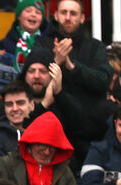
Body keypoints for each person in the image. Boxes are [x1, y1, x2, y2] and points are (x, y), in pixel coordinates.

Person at [33, 0, 114, 143]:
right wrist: (57, 62)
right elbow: (33, 81)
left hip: (88, 127)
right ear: (56, 15)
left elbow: (103, 80)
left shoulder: (95, 47)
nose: (68, 17)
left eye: (73, 13)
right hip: (51, 124)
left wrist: (72, 67)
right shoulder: (42, 44)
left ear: (82, 18)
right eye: (64, 12)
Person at [0, 81, 34, 163]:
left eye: (20, 103)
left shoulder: (43, 134)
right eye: (9, 104)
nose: (15, 108)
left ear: (32, 105)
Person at [0, 0, 50, 72]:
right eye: (28, 11)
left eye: (38, 12)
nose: (33, 15)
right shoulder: (5, 44)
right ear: (18, 16)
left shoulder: (49, 43)